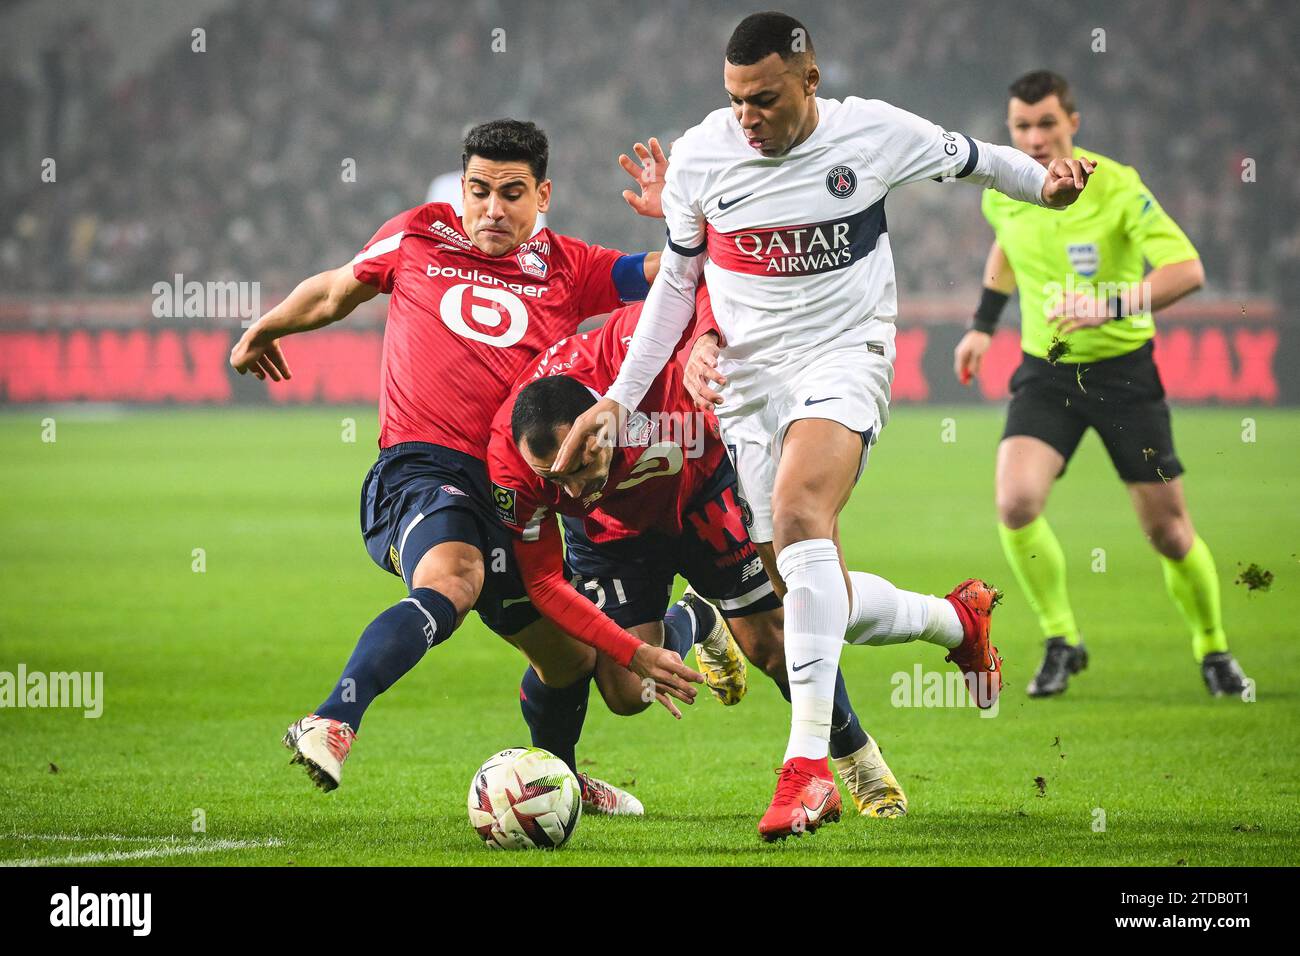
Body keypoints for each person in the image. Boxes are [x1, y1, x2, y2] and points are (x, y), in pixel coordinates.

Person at [555, 12, 1092, 839]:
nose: (748, 118)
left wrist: (1046, 186)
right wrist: (620, 400)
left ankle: (805, 771)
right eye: (736, 101)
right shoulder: (703, 154)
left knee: (806, 514)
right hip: (747, 384)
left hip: (846, 356)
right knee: (801, 594)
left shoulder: (871, 134)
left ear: (809, 81)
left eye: (764, 99)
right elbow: (675, 285)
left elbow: (979, 160)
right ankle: (956, 621)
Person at [229, 118, 703, 814]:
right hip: (423, 467)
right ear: (461, 188)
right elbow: (335, 290)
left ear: (543, 195)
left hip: (516, 492)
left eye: (512, 193)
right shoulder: (419, 233)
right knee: (454, 576)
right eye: (478, 190)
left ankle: (561, 778)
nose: (492, 209)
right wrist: (264, 327)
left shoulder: (570, 265)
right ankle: (333, 717)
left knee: (575, 663)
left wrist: (681, 218)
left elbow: (671, 273)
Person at [489, 286, 971, 824]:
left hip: (704, 492)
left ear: (601, 416)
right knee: (629, 693)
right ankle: (697, 615)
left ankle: (856, 758)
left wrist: (703, 339)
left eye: (583, 466)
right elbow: (543, 583)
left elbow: (698, 289)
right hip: (611, 538)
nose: (574, 488)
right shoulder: (511, 466)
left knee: (773, 643)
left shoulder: (628, 347)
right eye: (558, 478)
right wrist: (630, 651)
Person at [952, 70, 1250, 699]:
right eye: (1022, 127)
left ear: (1073, 124)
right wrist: (982, 326)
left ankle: (1213, 649)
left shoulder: (1117, 187)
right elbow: (1007, 246)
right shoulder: (1003, 186)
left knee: (1169, 533)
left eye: (1047, 125)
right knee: (1015, 502)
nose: (1033, 139)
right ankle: (1063, 640)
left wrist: (1111, 304)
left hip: (1123, 373)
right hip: (1048, 370)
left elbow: (1187, 269)